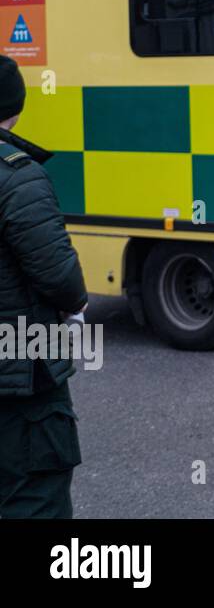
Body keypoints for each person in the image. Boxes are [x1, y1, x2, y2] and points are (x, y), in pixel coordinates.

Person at [0, 54, 88, 518]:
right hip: (19, 373)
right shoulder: (18, 176)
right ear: (15, 105)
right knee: (35, 496)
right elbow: (58, 276)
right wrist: (76, 304)